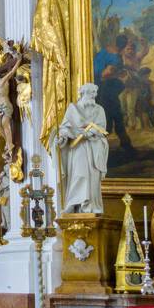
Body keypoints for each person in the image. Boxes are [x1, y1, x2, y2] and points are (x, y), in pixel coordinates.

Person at [57, 83, 109, 214]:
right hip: (78, 146)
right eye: (91, 92)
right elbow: (64, 127)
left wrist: (90, 133)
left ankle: (90, 206)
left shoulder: (99, 110)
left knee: (92, 177)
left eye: (95, 93)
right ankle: (74, 203)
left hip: (94, 146)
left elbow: (102, 129)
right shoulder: (73, 109)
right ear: (83, 93)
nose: (94, 95)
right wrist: (63, 137)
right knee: (79, 174)